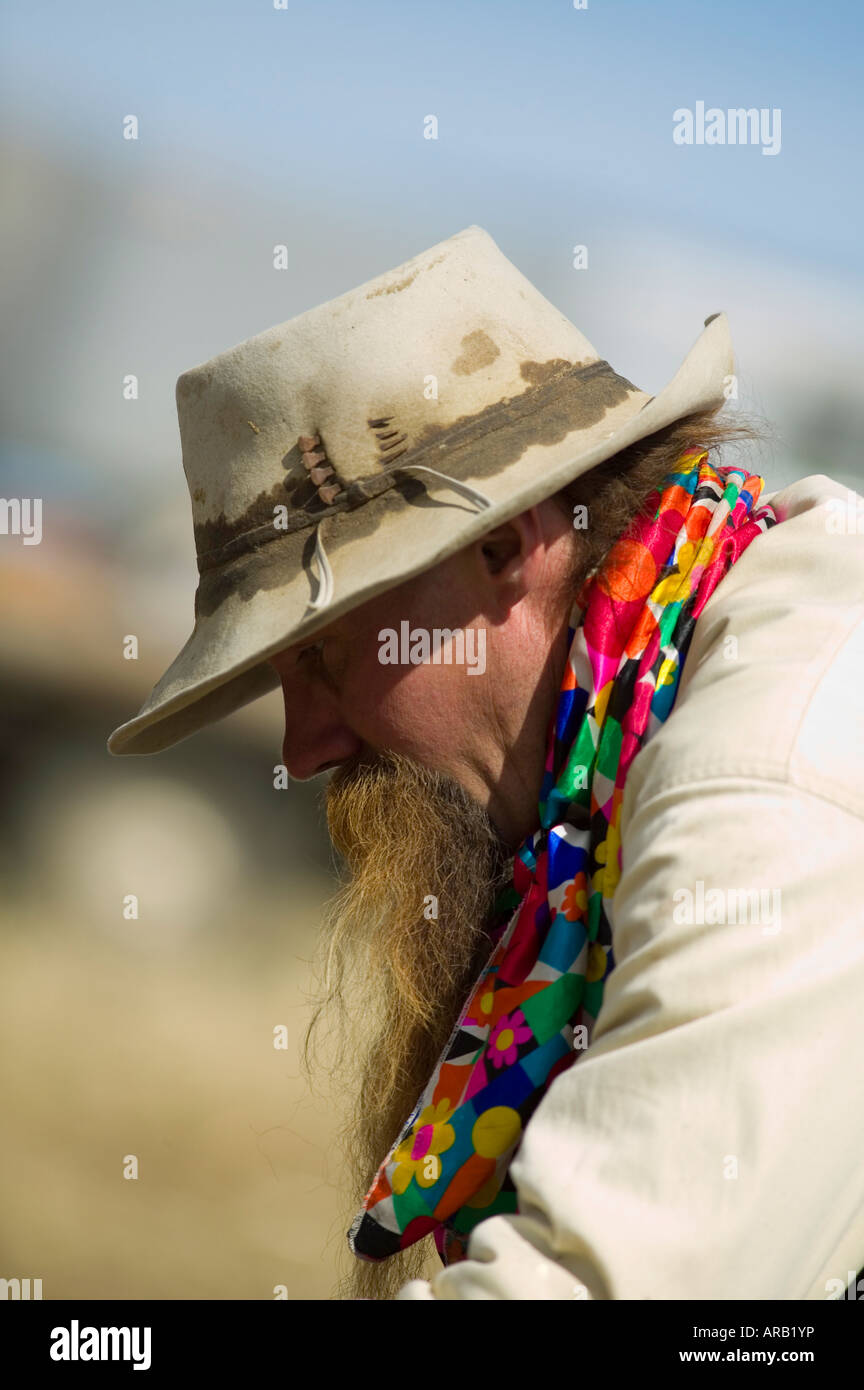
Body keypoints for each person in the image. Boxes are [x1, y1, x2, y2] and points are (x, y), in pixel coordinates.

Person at [108, 225, 864, 1302]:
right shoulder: (667, 705)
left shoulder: (777, 769)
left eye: (323, 656)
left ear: (506, 551)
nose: (304, 744)